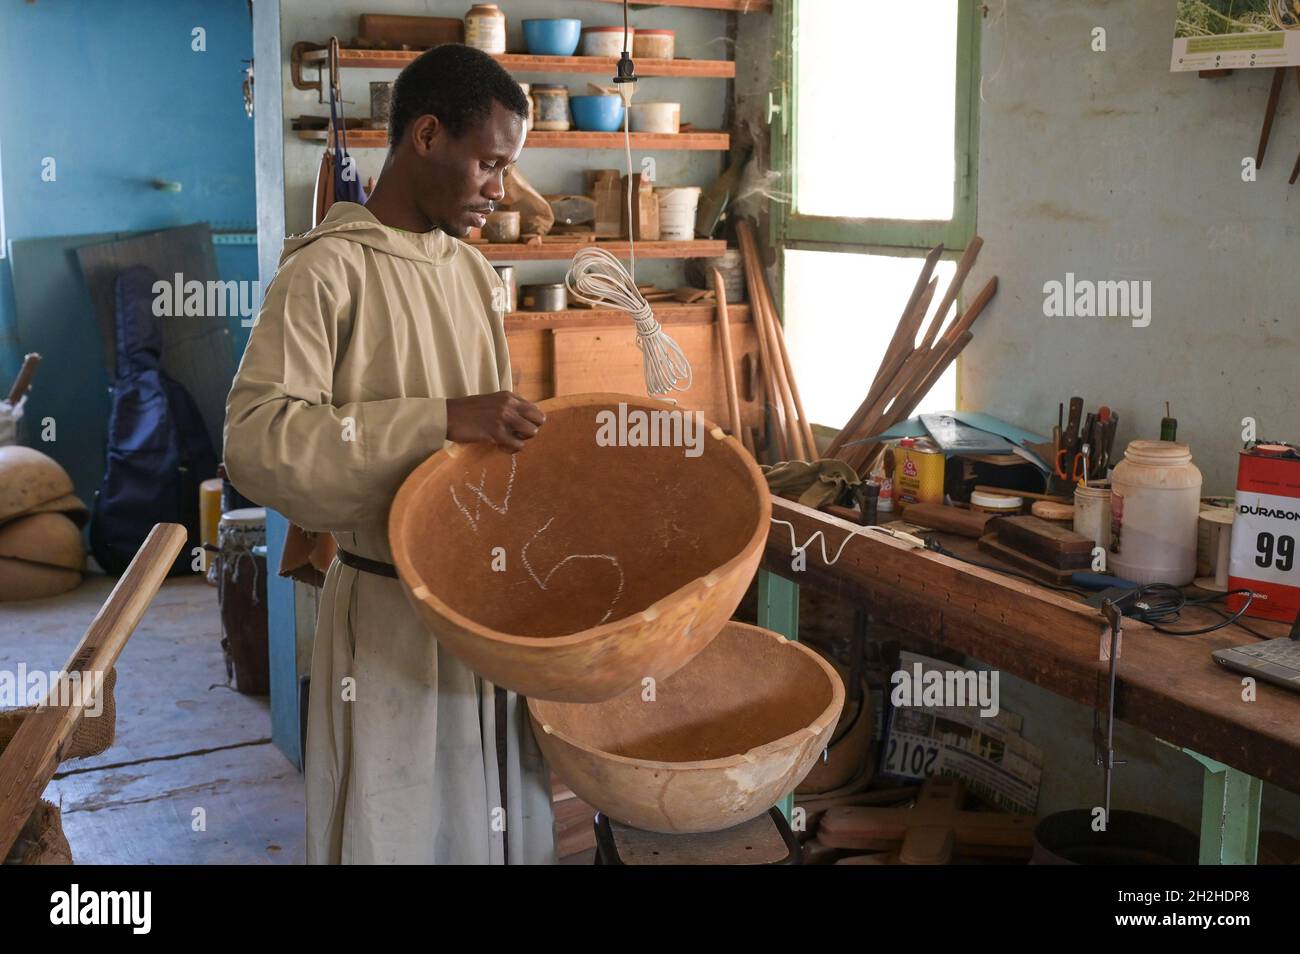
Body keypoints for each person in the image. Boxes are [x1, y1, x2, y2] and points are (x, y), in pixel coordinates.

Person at [224, 44, 554, 864]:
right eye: (489, 163)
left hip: (482, 609)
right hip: (389, 613)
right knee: (399, 827)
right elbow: (257, 444)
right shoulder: (326, 274)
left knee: (488, 825)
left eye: (508, 170)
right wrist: (441, 420)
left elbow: (488, 452)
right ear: (428, 136)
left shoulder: (474, 275)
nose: (499, 189)